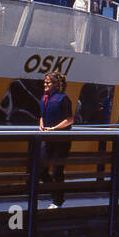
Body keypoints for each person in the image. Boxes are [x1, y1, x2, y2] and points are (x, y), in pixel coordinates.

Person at [38, 71, 74, 207]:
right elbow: (42, 116)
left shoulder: (63, 98)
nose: (45, 84)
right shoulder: (45, 98)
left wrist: (54, 129)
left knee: (57, 170)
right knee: (40, 169)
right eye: (45, 81)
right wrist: (41, 125)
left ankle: (58, 201)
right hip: (48, 139)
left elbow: (69, 120)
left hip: (62, 141)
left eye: (48, 82)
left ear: (56, 84)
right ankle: (54, 193)